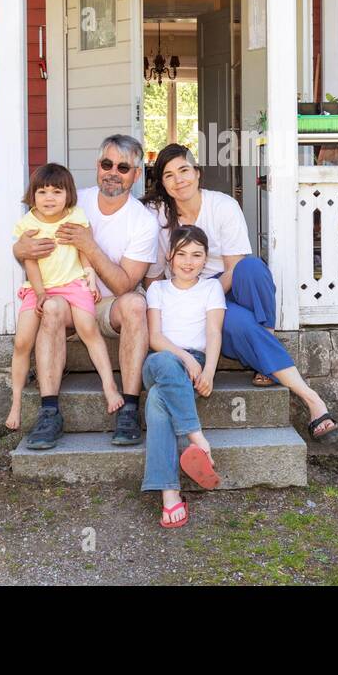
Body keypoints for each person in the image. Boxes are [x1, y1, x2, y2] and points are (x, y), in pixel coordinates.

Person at [144, 143, 338, 441]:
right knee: (238, 324)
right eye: (168, 175)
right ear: (163, 183)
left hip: (227, 285)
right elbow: (155, 274)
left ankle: (267, 341)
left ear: (197, 173)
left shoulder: (221, 205)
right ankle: (312, 399)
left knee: (252, 267)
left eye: (184, 170)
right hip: (192, 294)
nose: (178, 179)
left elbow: (234, 268)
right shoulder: (159, 216)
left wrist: (208, 296)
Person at [13, 135, 161, 450]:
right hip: (67, 300)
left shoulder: (143, 221)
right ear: (97, 166)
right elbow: (27, 236)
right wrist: (19, 247)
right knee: (50, 306)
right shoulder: (71, 201)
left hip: (108, 306)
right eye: (107, 164)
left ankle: (130, 408)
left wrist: (88, 245)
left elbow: (124, 285)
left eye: (123, 167)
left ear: (136, 175)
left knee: (135, 303)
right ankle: (49, 412)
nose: (113, 172)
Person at [5, 163, 122, 441]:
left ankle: (109, 387)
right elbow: (30, 262)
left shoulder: (75, 216)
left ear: (68, 194)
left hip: (72, 284)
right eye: (42, 192)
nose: (49, 198)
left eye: (56, 192)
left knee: (89, 330)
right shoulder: (29, 224)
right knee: (22, 341)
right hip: (39, 288)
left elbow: (83, 249)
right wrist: (41, 292)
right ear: (32, 195)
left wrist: (90, 277)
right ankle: (16, 403)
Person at [142, 225, 225, 528]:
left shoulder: (211, 288)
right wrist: (187, 358)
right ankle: (197, 437)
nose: (188, 262)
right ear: (169, 257)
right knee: (165, 361)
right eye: (182, 255)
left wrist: (209, 372)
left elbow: (214, 332)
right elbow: (154, 337)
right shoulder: (158, 289)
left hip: (196, 363)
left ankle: (169, 494)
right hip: (161, 362)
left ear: (205, 260)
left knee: (156, 401)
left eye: (196, 255)